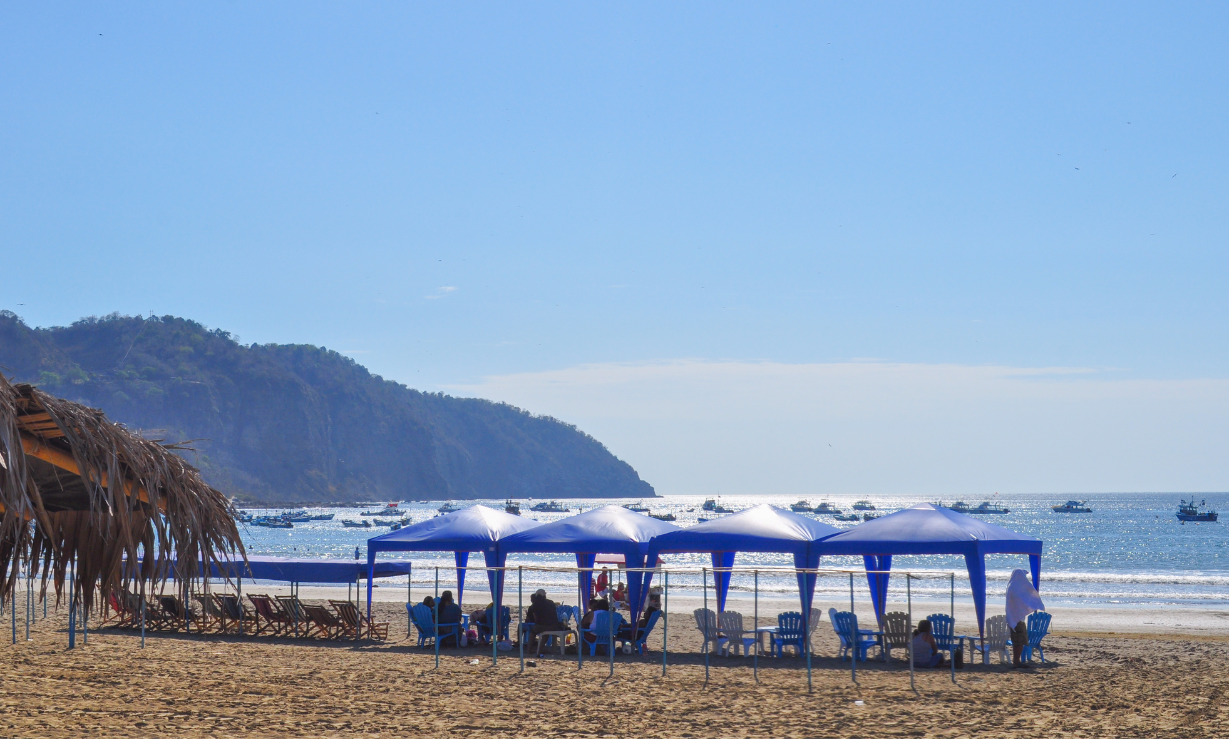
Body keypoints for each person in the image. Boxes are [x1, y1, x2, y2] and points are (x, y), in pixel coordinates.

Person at [1006, 568, 1045, 668]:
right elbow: (1024, 598)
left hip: (1013, 617)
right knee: (1019, 641)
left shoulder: (1011, 585)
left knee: (1018, 641)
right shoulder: (1016, 587)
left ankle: (1016, 660)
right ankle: (1016, 661)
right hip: (1017, 619)